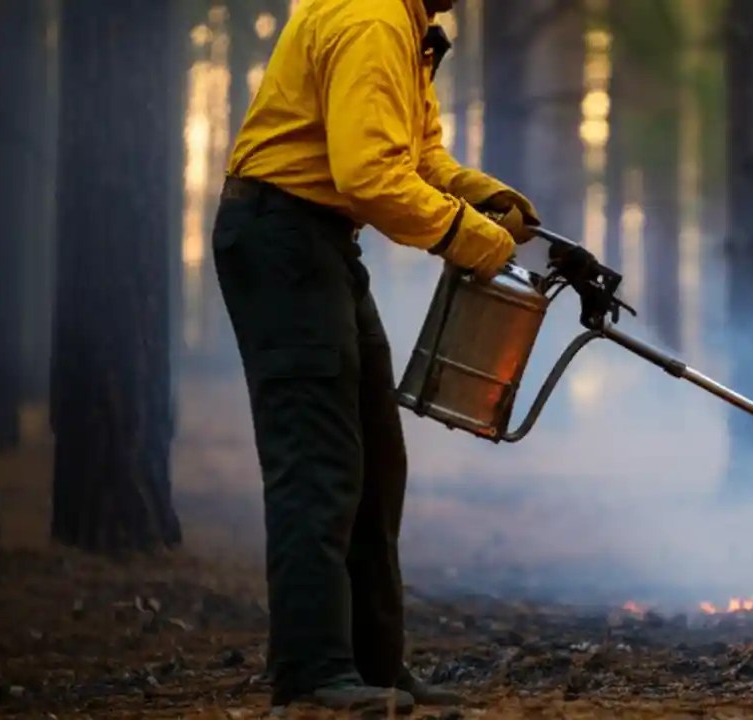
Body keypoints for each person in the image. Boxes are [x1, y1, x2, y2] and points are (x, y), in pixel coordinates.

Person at [211, 0, 539, 715]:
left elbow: (412, 156)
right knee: (318, 460)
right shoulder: (372, 18)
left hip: (318, 242)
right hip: (284, 240)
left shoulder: (404, 22)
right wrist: (477, 242)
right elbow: (367, 177)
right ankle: (311, 678)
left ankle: (373, 669)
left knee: (375, 458)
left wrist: (486, 198)